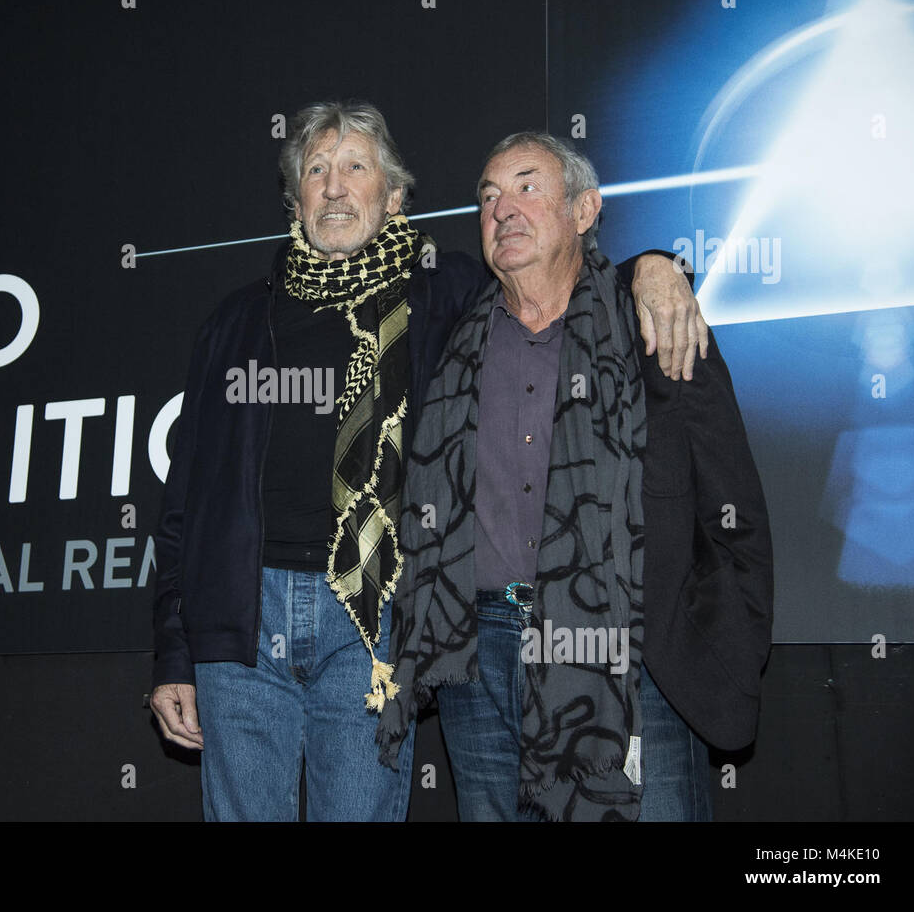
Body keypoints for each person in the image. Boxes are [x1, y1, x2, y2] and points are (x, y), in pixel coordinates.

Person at [151, 103, 705, 821]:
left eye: (356, 167)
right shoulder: (231, 324)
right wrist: (172, 652)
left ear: (396, 196)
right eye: (317, 170)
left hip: (376, 620)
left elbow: (556, 274)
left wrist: (655, 267)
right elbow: (182, 505)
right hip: (239, 619)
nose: (336, 186)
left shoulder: (450, 295)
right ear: (295, 200)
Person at [378, 132, 772, 822]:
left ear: (585, 210)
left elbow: (734, 508)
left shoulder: (655, 327)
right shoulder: (449, 339)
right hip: (479, 656)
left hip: (631, 654)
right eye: (489, 196)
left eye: (528, 186)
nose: (503, 209)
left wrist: (714, 646)